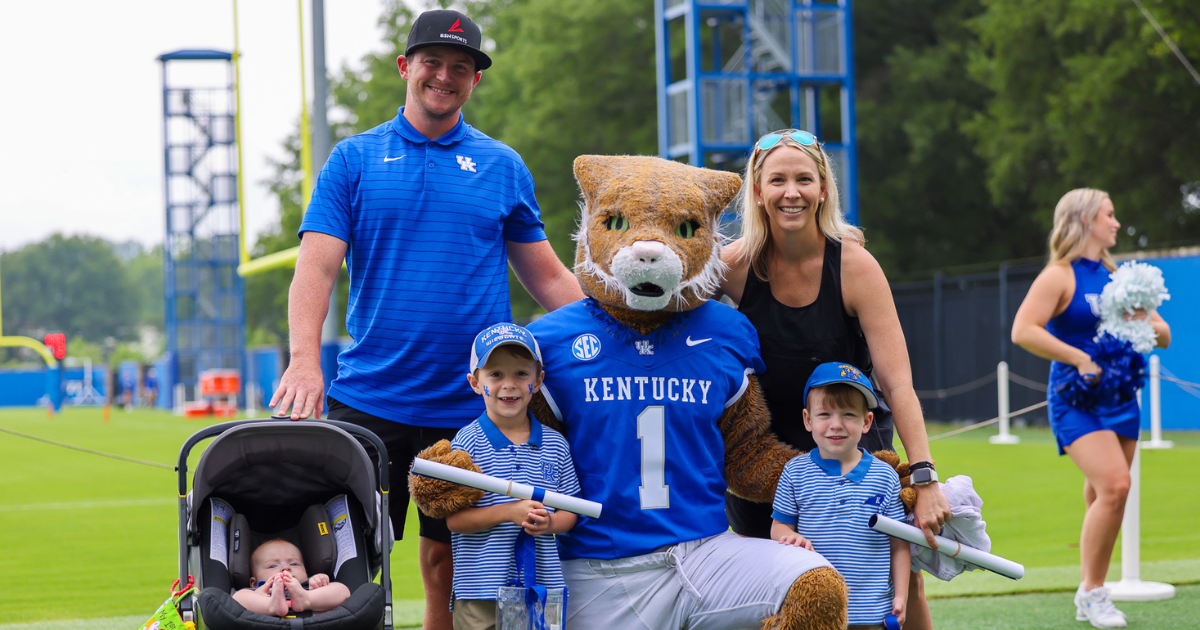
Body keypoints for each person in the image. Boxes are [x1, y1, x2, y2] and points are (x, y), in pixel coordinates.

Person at [266, 9, 585, 629]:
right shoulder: (353, 159)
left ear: (475, 80)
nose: (444, 76)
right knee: (347, 560)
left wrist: (612, 334)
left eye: (460, 67)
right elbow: (316, 269)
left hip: (468, 407)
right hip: (371, 396)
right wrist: (304, 359)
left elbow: (547, 277)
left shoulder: (502, 165)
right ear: (405, 67)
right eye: (432, 62)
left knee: (452, 559)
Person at [719, 129, 950, 629]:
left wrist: (925, 476)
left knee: (894, 582)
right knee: (773, 590)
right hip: (768, 459)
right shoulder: (731, 267)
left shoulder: (855, 266)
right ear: (757, 191)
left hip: (854, 446)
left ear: (823, 188)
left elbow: (897, 383)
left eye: (804, 179)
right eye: (777, 180)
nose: (792, 192)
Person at [1011, 188, 1170, 629]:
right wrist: (1080, 358)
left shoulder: (1119, 276)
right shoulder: (1058, 276)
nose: (1117, 223)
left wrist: (1143, 321)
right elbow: (1024, 330)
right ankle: (1094, 591)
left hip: (1121, 398)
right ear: (1084, 220)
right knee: (1116, 486)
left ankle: (1088, 588)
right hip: (1076, 397)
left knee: (1104, 494)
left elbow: (1164, 335)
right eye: (1109, 215)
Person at [444, 323, 580, 630]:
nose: (509, 384)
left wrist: (550, 523)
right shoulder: (465, 444)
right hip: (480, 593)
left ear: (538, 380)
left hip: (540, 590)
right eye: (495, 374)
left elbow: (570, 509)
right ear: (475, 382)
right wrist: (509, 512)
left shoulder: (556, 445)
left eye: (520, 373)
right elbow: (455, 520)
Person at [771, 362, 910, 630]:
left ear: (866, 422)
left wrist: (902, 596)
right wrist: (789, 537)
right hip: (815, 613)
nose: (836, 425)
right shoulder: (795, 472)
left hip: (874, 613)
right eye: (824, 414)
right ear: (808, 420)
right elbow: (779, 527)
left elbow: (899, 544)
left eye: (848, 414)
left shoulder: (885, 476)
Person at [232, 538, 351, 617]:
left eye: (294, 564)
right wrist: (258, 594)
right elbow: (236, 601)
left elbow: (344, 594)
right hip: (265, 612)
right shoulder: (257, 593)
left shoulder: (310, 587)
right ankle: (271, 606)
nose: (286, 568)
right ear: (254, 583)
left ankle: (305, 600)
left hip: (311, 613)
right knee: (238, 596)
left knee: (340, 589)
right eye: (273, 566)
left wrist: (319, 585)